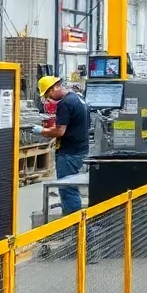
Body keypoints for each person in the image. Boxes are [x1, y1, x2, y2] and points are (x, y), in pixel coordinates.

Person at [35, 75, 90, 216]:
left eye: (48, 94)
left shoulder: (65, 104)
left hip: (69, 154)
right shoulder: (78, 98)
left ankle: (73, 228)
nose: (48, 98)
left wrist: (43, 131)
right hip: (80, 151)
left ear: (54, 88)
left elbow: (60, 131)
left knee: (67, 190)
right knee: (72, 188)